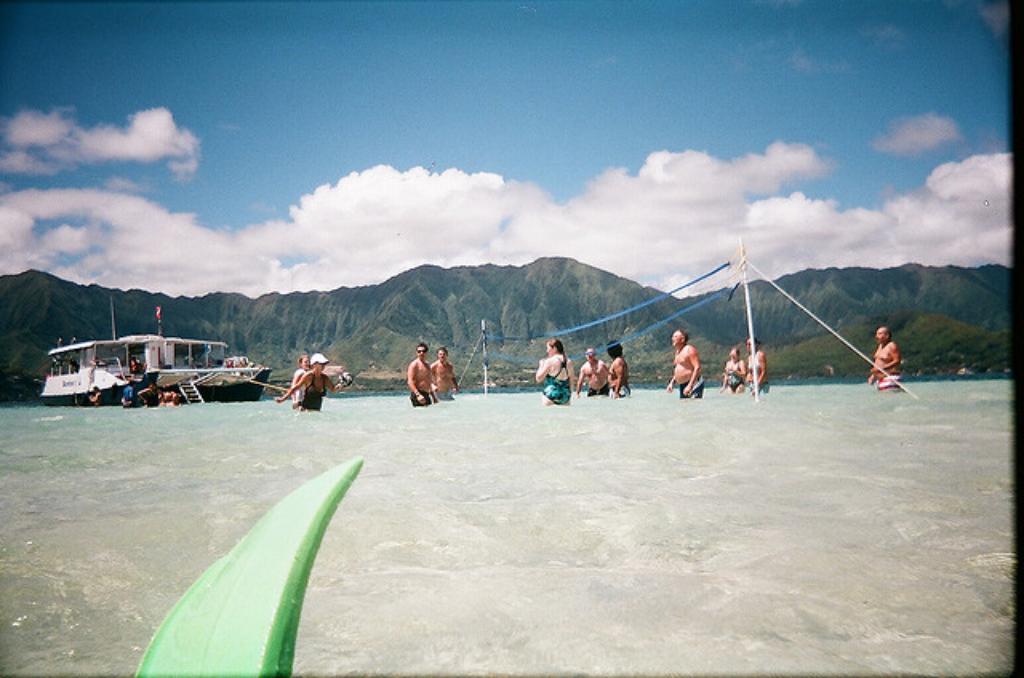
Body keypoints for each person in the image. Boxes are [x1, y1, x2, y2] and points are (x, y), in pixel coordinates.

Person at [275, 353, 341, 411]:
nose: (323, 365)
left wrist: (341, 385)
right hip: (304, 410)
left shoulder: (324, 378)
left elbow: (333, 389)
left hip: (317, 412)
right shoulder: (308, 376)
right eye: (321, 364)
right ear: (314, 364)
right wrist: (282, 399)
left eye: (324, 364)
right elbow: (295, 387)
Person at [666, 329, 704, 399]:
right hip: (682, 384)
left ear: (682, 339)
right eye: (672, 336)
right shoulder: (677, 352)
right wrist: (672, 383)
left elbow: (697, 367)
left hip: (693, 383)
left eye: (675, 336)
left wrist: (690, 385)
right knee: (685, 407)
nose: (672, 338)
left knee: (694, 406)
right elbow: (679, 368)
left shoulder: (689, 349)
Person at [536, 338, 574, 406]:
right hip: (565, 396)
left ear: (554, 348)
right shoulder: (569, 361)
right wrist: (569, 395)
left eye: (548, 348)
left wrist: (541, 365)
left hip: (551, 394)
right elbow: (571, 381)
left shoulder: (550, 361)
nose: (547, 351)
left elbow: (538, 378)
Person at [868, 326, 902, 391]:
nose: (876, 336)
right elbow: (878, 362)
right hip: (880, 379)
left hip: (890, 379)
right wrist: (873, 376)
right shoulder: (880, 346)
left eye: (879, 334)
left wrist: (882, 368)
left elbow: (897, 361)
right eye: (877, 334)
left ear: (887, 335)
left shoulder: (892, 345)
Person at [407, 342, 437, 407]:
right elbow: (410, 381)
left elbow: (429, 382)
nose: (421, 353)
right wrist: (418, 395)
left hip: (426, 394)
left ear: (426, 352)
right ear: (416, 353)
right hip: (417, 394)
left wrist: (434, 397)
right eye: (419, 351)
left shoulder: (427, 365)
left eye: (423, 351)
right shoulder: (414, 365)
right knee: (419, 415)